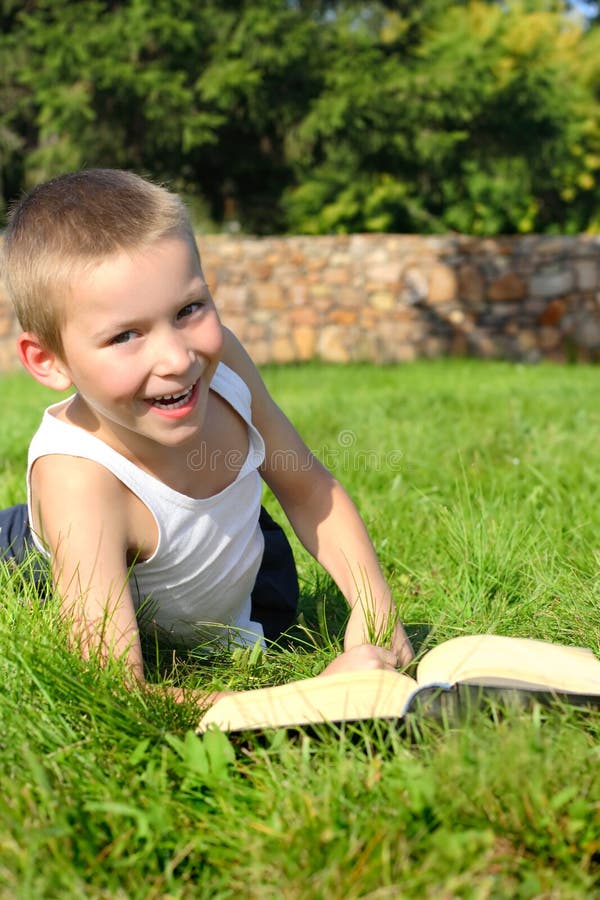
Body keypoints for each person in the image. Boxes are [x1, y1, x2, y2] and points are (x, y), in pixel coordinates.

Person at [0, 168, 413, 710]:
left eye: (188, 310)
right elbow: (114, 692)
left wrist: (375, 605)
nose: (177, 359)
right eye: (126, 335)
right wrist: (313, 696)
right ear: (48, 361)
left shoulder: (226, 371)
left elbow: (308, 486)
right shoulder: (79, 479)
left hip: (212, 552)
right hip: (42, 552)